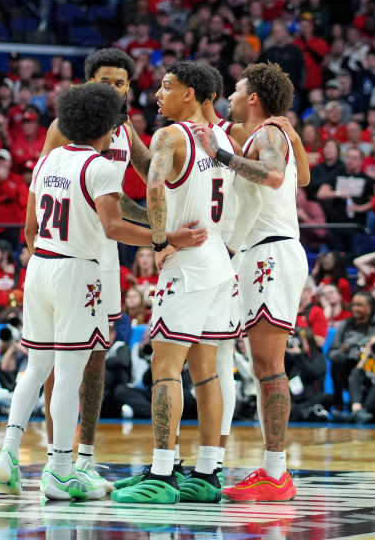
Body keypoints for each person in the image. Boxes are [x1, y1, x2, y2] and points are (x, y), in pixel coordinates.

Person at [0, 83, 205, 502]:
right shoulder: (102, 167)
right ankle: (61, 472)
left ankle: (9, 452)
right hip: (76, 273)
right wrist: (167, 238)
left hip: (40, 267)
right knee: (69, 377)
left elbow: (30, 230)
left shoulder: (48, 159)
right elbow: (113, 227)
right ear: (108, 124)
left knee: (36, 367)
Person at [112, 62, 236, 506]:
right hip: (220, 259)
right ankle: (205, 474)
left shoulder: (171, 136)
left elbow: (156, 187)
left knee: (165, 370)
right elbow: (181, 175)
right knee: (207, 374)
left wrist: (161, 240)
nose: (157, 94)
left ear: (191, 93)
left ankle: (163, 474)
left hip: (187, 262)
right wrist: (129, 131)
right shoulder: (222, 138)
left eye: (167, 87)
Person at [36, 48, 155, 492]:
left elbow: (151, 176)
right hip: (66, 252)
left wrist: (189, 180)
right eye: (105, 80)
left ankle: (84, 456)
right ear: (88, 85)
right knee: (58, 360)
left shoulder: (126, 132)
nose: (113, 88)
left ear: (129, 90)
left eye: (121, 82)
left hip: (107, 252)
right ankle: (56, 456)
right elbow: (40, 189)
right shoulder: (62, 129)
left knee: (97, 356)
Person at [193, 61, 304, 502]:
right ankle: (268, 469)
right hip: (261, 251)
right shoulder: (270, 133)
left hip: (272, 251)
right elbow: (303, 176)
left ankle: (276, 472)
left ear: (253, 97)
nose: (231, 97)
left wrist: (219, 154)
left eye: (236, 90)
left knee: (268, 366)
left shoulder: (270, 134)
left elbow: (276, 176)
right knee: (260, 366)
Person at [327, 291, 375, 409]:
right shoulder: (346, 324)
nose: (354, 308)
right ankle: (339, 405)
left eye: (359, 305)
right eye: (353, 305)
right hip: (349, 366)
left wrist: (370, 353)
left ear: (370, 308)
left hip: (372, 367)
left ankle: (361, 407)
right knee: (336, 361)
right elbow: (332, 351)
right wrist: (344, 351)